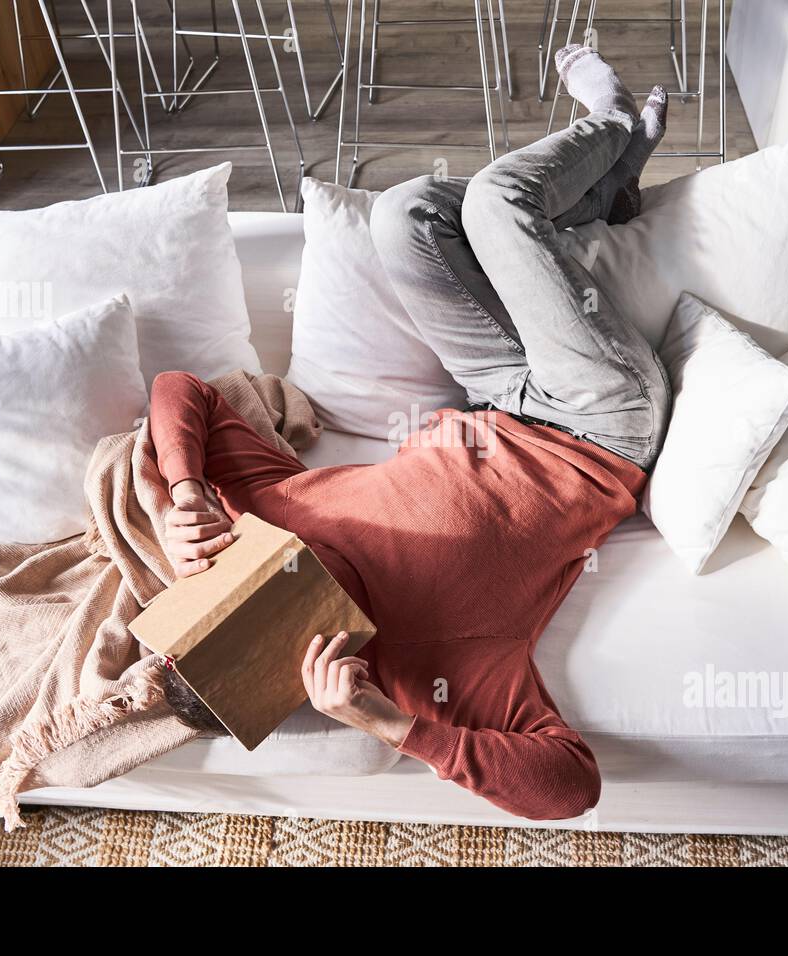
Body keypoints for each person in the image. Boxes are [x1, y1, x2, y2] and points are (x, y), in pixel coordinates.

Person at [150, 47, 672, 820]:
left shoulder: (260, 523)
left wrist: (182, 488)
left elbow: (179, 389)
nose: (271, 580)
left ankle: (606, 195)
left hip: (495, 393)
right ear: (296, 669)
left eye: (234, 590)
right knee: (497, 203)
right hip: (598, 426)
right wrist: (389, 725)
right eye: (263, 618)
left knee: (406, 213)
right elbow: (571, 785)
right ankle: (613, 125)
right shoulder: (420, 674)